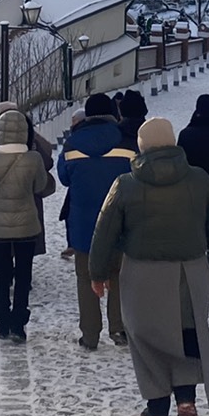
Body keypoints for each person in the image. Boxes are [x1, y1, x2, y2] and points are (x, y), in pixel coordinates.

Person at [90, 118, 209, 416]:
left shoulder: (125, 184)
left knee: (146, 337)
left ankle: (156, 407)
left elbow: (105, 230)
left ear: (142, 146)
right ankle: (186, 399)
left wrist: (97, 272)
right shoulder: (200, 179)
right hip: (190, 271)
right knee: (187, 331)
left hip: (142, 273)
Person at [59, 95, 135, 349]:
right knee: (118, 275)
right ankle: (119, 328)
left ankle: (90, 334)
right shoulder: (126, 140)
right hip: (121, 221)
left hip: (83, 223)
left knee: (86, 277)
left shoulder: (72, 144)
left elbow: (64, 178)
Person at [0, 108, 55, 341]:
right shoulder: (33, 159)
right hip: (26, 226)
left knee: (1, 273)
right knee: (23, 274)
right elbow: (40, 186)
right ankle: (18, 324)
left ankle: (1, 321)